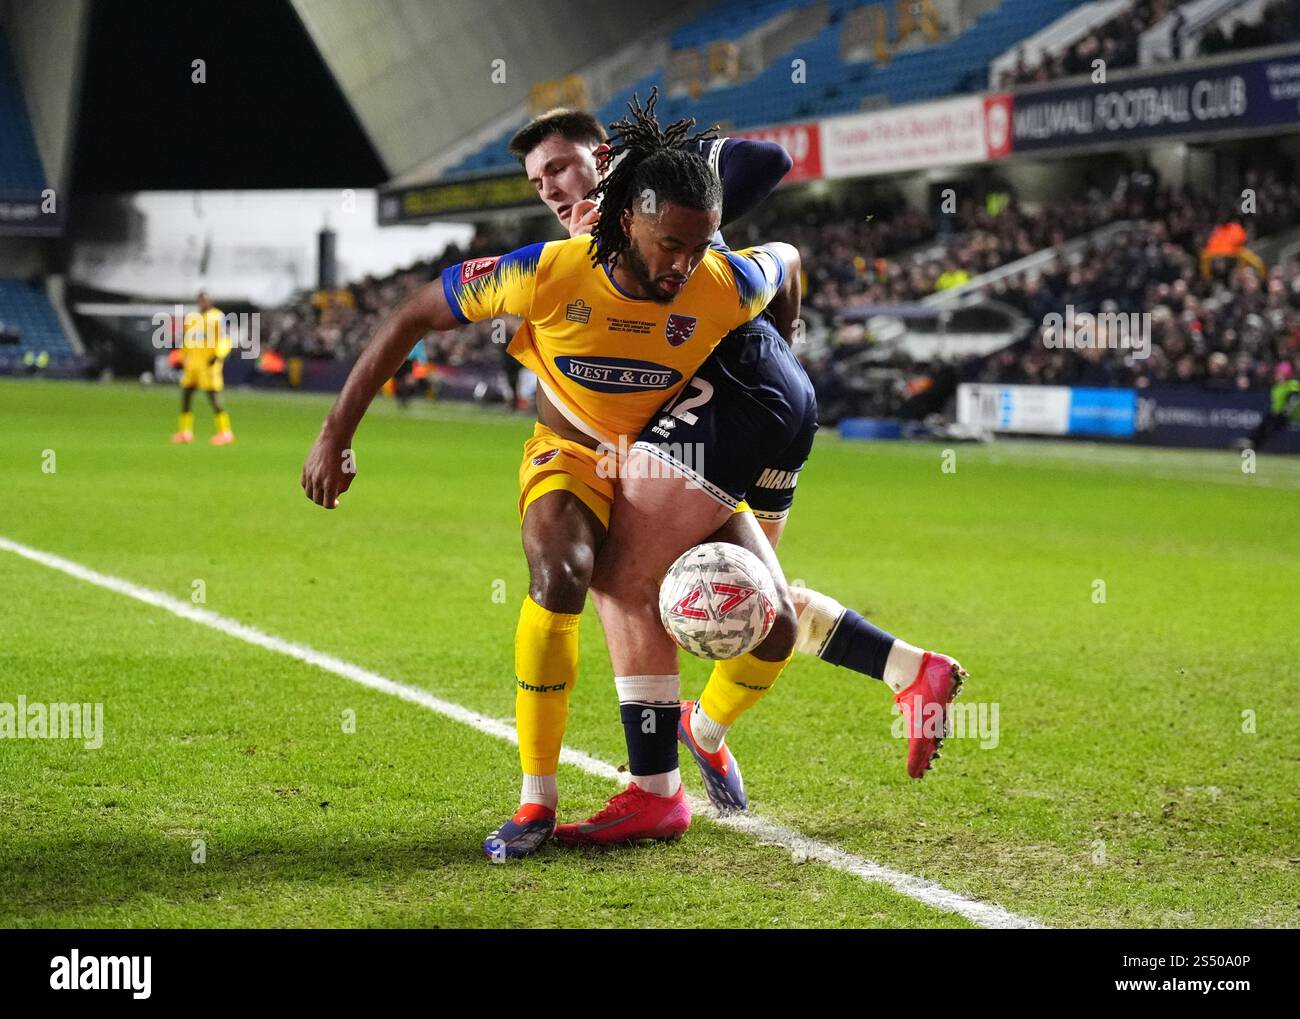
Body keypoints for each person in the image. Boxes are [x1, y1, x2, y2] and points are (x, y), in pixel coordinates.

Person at [301, 100, 799, 860]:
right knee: (563, 572)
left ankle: (697, 741)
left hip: (661, 458)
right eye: (670, 245)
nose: (682, 265)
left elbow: (786, 261)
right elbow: (412, 314)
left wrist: (780, 347)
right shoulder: (545, 272)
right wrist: (336, 435)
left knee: (778, 623)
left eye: (697, 248)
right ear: (630, 219)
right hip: (567, 456)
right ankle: (537, 799)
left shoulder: (721, 282)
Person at [508, 95, 966, 850]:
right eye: (539, 181)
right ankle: (904, 669)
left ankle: (655, 789)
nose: (556, 187)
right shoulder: (602, 252)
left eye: (565, 166)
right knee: (756, 599)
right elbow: (785, 258)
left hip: (728, 404)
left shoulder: (655, 203)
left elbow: (769, 165)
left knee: (624, 576)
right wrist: (780, 346)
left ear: (606, 155)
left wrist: (672, 164)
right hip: (770, 405)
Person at [171, 291, 235, 445]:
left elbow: (225, 339)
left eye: (205, 300)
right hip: (193, 364)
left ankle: (225, 432)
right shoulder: (192, 319)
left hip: (208, 364)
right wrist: (181, 356)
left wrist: (218, 355)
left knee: (213, 398)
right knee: (186, 394)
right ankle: (185, 432)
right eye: (200, 300)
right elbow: (188, 340)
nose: (202, 302)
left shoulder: (217, 317)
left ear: (211, 301)